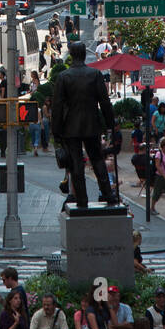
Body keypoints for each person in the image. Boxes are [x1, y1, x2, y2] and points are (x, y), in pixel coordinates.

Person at [52, 42, 119, 208]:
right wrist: (111, 123)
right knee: (97, 160)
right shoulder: (95, 74)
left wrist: (56, 130)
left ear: (71, 55)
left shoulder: (64, 76)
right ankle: (108, 195)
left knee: (76, 164)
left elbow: (57, 106)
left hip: (71, 127)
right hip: (91, 124)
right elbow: (105, 102)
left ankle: (81, 199)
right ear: (83, 54)